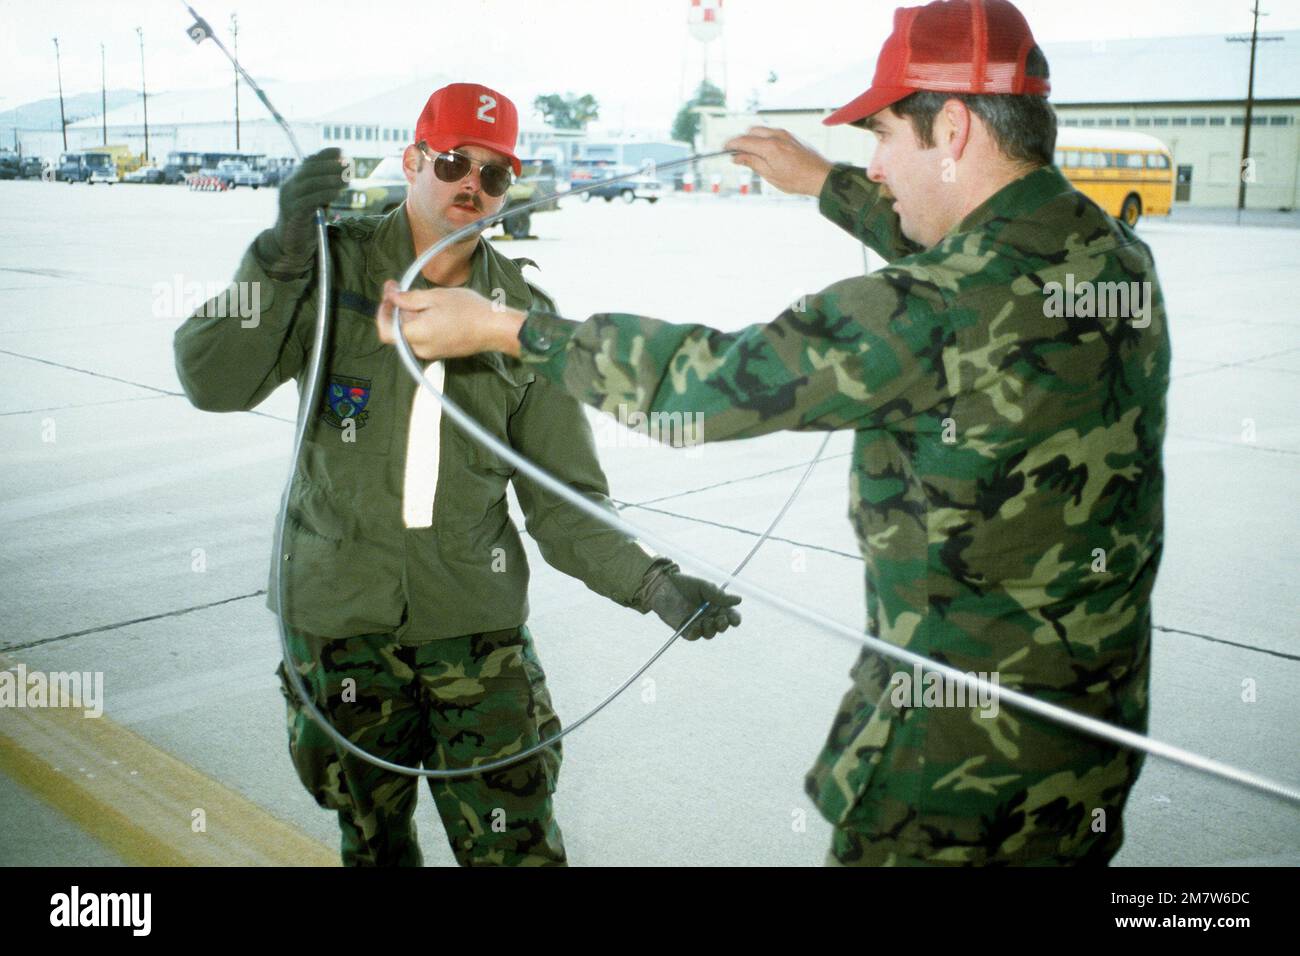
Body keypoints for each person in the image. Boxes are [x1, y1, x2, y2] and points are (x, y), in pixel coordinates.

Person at [375, 2, 1171, 866]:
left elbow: (705, 387)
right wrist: (821, 182)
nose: (877, 167)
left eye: (882, 140)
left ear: (950, 128)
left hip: (952, 780)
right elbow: (979, 255)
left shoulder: (928, 309)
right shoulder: (1112, 256)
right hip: (1087, 742)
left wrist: (507, 331)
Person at [173, 82, 741, 867]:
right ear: (412, 162)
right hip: (339, 628)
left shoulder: (519, 317)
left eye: (495, 172)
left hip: (474, 637)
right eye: (451, 163)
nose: (472, 185)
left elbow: (564, 497)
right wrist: (274, 260)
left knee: (518, 849)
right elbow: (212, 382)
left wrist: (652, 583)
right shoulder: (326, 268)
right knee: (372, 843)